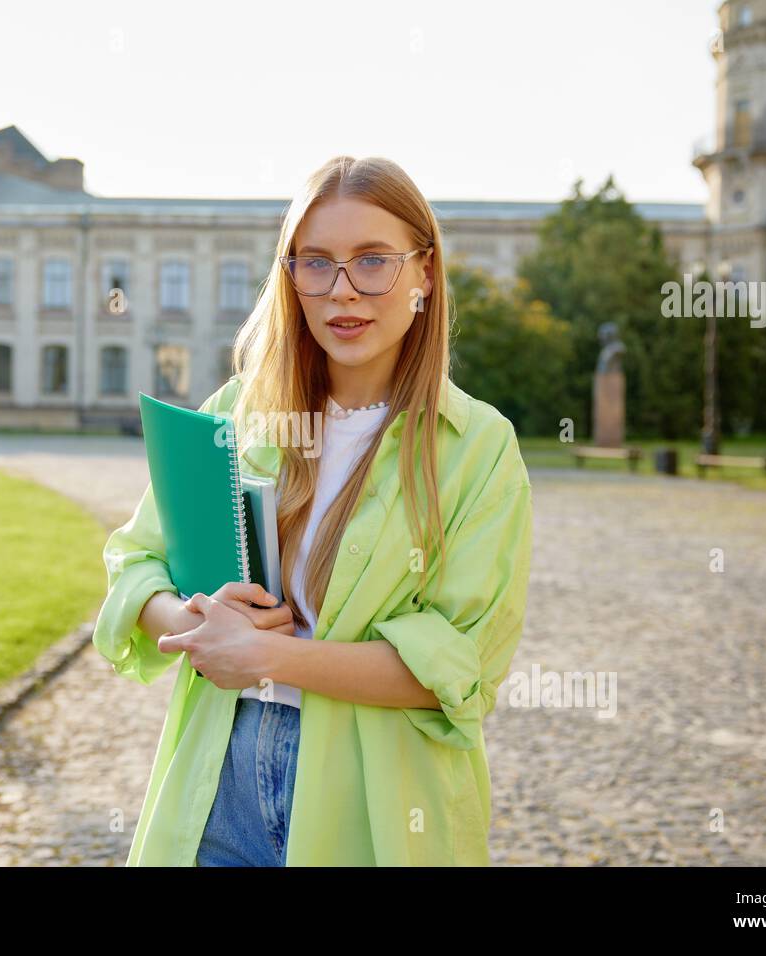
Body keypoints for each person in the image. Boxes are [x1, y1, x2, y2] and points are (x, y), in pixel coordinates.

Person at [92, 154, 533, 866]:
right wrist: (196, 625)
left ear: (424, 273)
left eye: (373, 262)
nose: (344, 291)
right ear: (290, 277)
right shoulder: (236, 416)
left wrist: (269, 653)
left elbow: (459, 668)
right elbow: (136, 563)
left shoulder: (478, 448)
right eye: (317, 263)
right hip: (218, 786)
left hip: (380, 802)